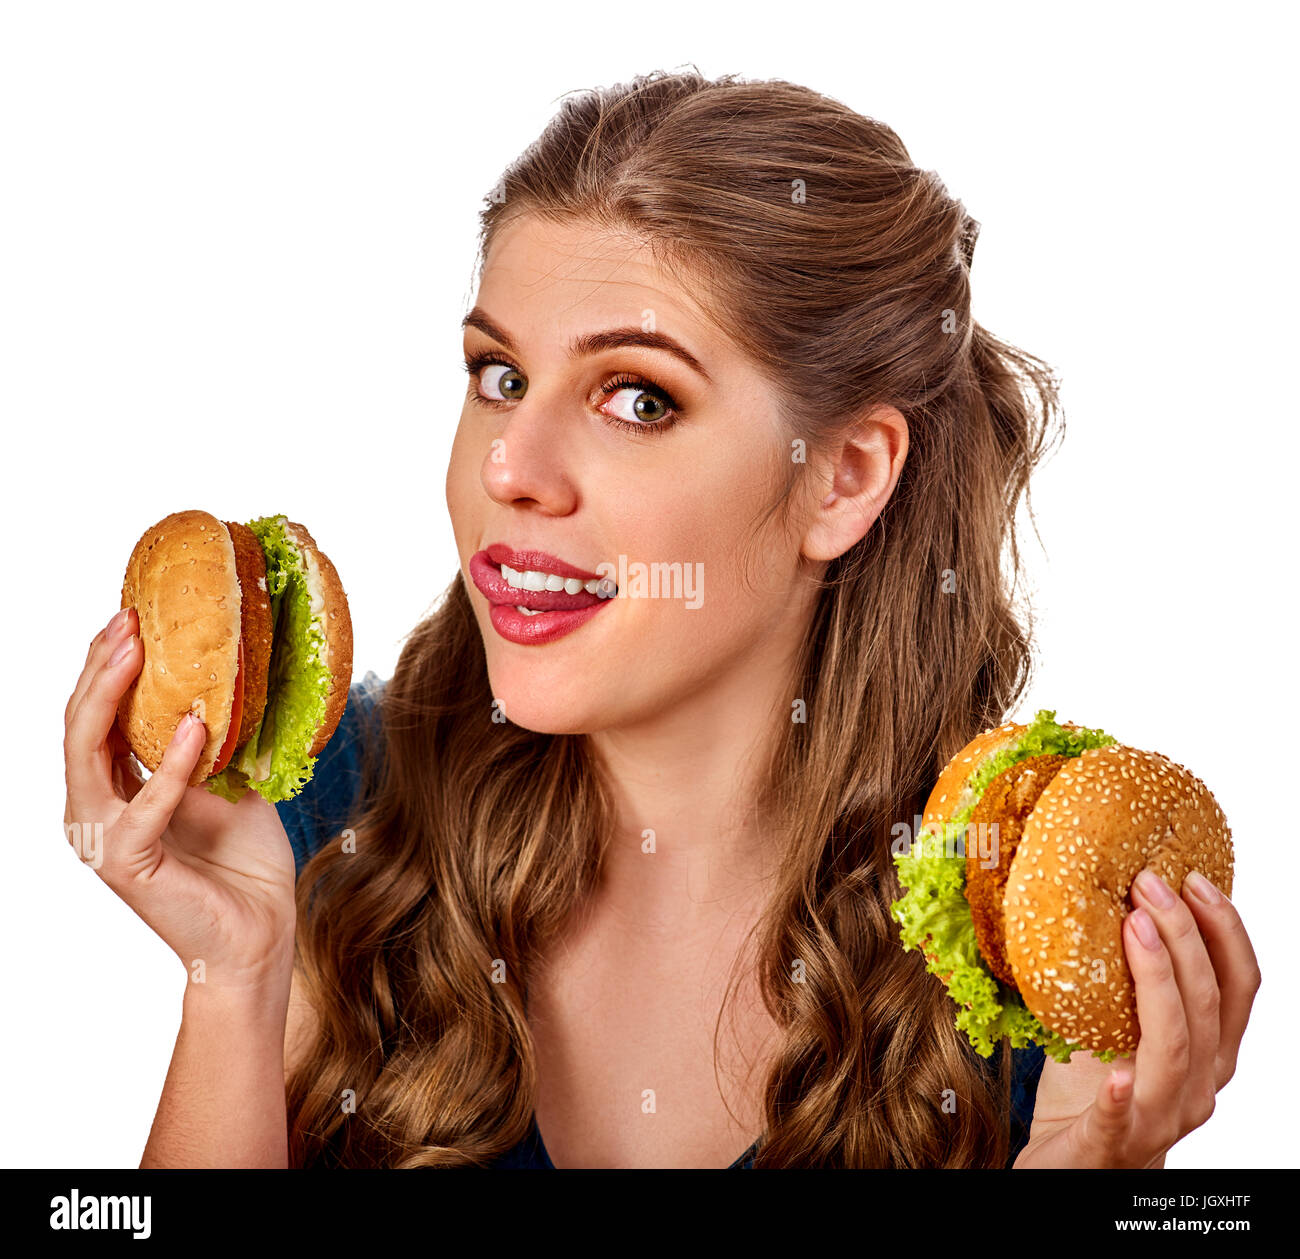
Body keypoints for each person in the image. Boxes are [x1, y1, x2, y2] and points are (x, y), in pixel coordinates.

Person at [62, 68, 1259, 1169]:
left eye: (637, 396)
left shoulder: (1014, 945)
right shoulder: (337, 826)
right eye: (500, 377)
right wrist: (234, 976)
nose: (510, 469)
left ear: (842, 476)